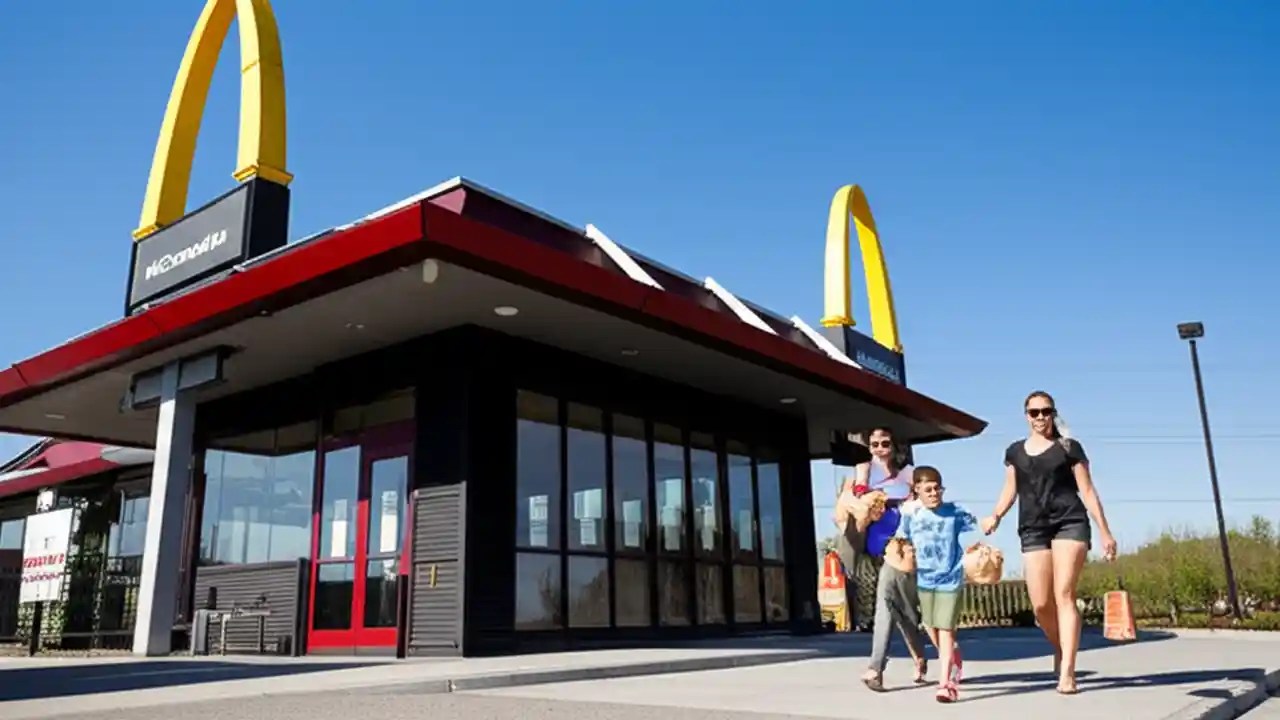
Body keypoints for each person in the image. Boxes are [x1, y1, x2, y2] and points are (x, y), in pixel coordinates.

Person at [979, 391, 1118, 695]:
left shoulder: (1069, 448)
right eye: (1034, 412)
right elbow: (1009, 489)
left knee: (1064, 594)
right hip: (1033, 527)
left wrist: (1105, 532)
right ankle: (1060, 648)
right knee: (1041, 604)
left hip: (1070, 521)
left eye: (1046, 411)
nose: (1040, 417)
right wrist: (995, 516)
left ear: (1054, 413)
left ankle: (1067, 671)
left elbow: (1088, 491)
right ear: (1026, 415)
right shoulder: (1015, 451)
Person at [897, 466, 980, 704]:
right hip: (925, 579)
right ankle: (954, 658)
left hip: (950, 578)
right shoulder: (912, 516)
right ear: (917, 490)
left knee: (945, 630)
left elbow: (974, 532)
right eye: (928, 489)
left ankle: (946, 684)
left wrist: (976, 549)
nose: (934, 493)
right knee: (931, 626)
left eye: (937, 488)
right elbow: (901, 542)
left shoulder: (955, 512)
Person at [834, 428, 914, 631]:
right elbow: (856, 493)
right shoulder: (863, 469)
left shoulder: (905, 473)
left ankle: (902, 617)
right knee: (866, 576)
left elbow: (917, 493)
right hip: (867, 527)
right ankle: (867, 619)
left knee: (897, 576)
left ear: (894, 447)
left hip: (895, 528)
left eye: (885, 444)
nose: (880, 449)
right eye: (874, 444)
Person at [861, 458, 929, 691]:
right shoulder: (897, 507)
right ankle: (875, 669)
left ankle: (919, 656)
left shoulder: (930, 508)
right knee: (885, 607)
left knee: (908, 617)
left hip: (918, 564)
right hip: (893, 560)